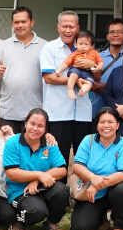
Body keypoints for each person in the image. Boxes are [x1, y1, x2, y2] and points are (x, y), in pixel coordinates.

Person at [71, 107, 123, 230]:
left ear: (117, 125)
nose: (106, 126)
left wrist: (96, 184)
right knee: (80, 228)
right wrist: (92, 177)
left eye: (110, 122)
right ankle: (102, 218)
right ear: (97, 125)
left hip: (114, 192)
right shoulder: (88, 140)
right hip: (92, 195)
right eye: (102, 122)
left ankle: (118, 227)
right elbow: (77, 166)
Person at [3, 108, 69, 230]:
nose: (35, 128)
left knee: (62, 191)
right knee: (36, 211)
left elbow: (62, 170)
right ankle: (19, 221)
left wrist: (37, 180)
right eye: (32, 124)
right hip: (19, 190)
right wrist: (40, 175)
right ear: (26, 123)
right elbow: (11, 173)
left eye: (40, 126)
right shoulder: (13, 142)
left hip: (43, 186)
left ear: (45, 128)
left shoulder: (49, 143)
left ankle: (51, 223)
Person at [39, 11, 93, 163]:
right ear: (58, 27)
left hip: (83, 113)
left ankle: (81, 187)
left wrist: (93, 66)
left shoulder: (87, 49)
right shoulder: (50, 48)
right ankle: (58, 187)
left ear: (78, 28)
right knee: (58, 159)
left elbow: (96, 77)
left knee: (84, 159)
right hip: (58, 114)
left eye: (72, 26)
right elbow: (49, 77)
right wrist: (75, 81)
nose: (68, 30)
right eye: (64, 26)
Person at [0, 7, 46, 134]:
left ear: (31, 22)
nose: (20, 25)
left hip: (35, 112)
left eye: (23, 22)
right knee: (8, 150)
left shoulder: (44, 46)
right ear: (12, 24)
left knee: (32, 151)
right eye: (16, 22)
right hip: (8, 112)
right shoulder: (3, 46)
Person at [91, 18, 123, 112]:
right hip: (96, 110)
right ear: (107, 36)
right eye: (112, 32)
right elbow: (83, 78)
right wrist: (94, 85)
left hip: (121, 112)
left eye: (119, 32)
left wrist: (107, 87)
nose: (115, 35)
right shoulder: (96, 57)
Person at [63, 30, 104, 99]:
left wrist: (94, 65)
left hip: (87, 73)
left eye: (86, 44)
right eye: (80, 44)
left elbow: (98, 76)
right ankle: (70, 90)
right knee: (73, 75)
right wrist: (58, 71)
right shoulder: (74, 53)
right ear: (76, 44)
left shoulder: (94, 53)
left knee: (89, 83)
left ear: (91, 46)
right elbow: (66, 63)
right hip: (75, 70)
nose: (83, 46)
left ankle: (83, 90)